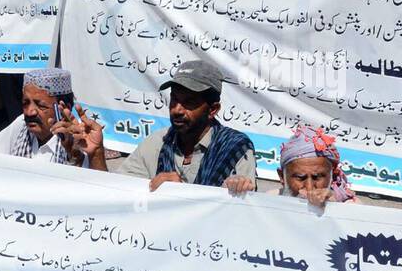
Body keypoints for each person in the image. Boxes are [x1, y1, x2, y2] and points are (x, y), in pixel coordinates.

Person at [119, 60, 255, 191]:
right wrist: (97, 156)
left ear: (212, 110)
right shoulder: (157, 142)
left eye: (189, 102)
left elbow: (242, 210)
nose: (177, 110)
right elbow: (116, 191)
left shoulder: (235, 148)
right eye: (174, 99)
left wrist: (180, 191)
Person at [0, 68, 107, 169]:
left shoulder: (79, 138)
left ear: (64, 108)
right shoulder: (22, 124)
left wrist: (95, 153)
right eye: (25, 103)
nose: (30, 112)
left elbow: (101, 194)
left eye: (41, 105)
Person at [226, 124, 357, 206]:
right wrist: (235, 193)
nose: (309, 187)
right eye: (300, 178)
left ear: (332, 175)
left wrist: (333, 208)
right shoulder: (269, 202)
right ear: (281, 177)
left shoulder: (351, 208)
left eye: (318, 177)